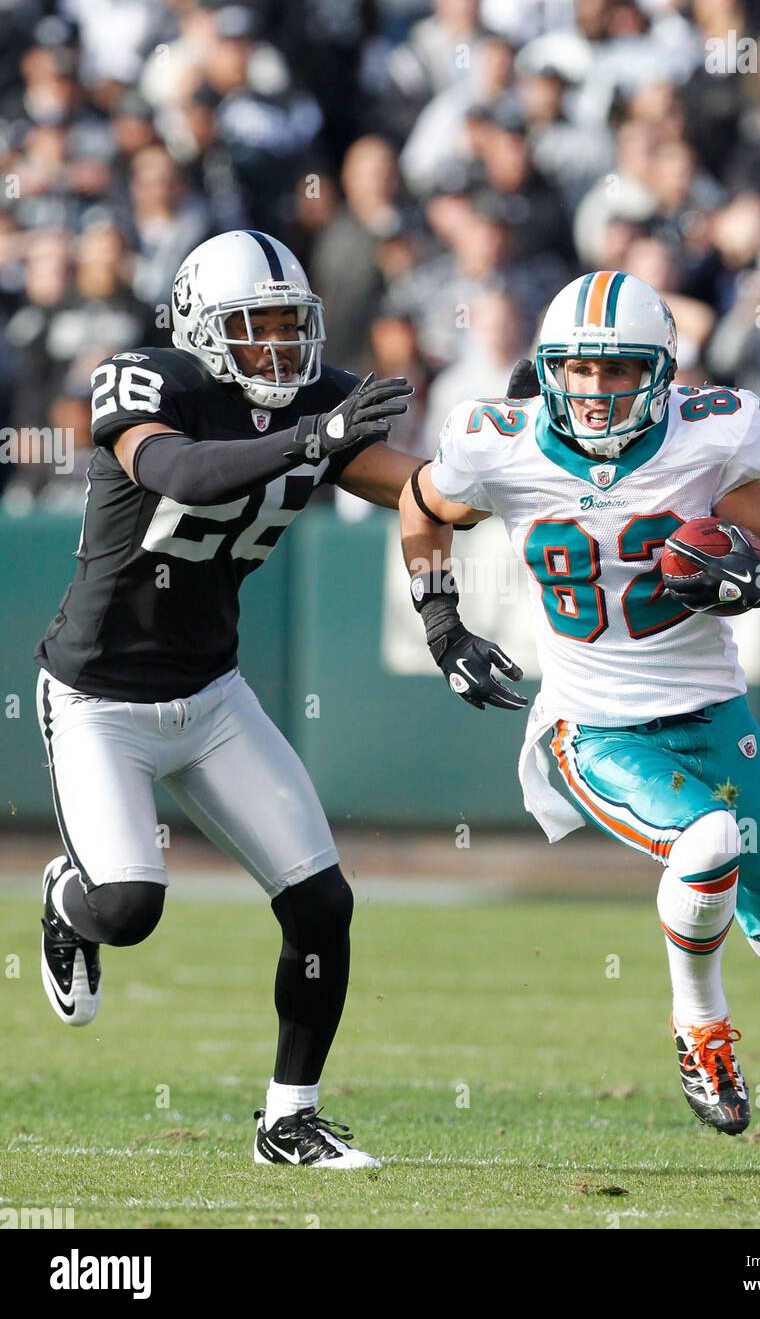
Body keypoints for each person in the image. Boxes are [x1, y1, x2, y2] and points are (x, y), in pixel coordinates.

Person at [399, 269, 760, 1179]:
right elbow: (422, 506)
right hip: (593, 725)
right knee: (708, 840)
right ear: (547, 369)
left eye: (619, 370)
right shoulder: (500, 445)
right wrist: (443, 626)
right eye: (578, 371)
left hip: (715, 718)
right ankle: (699, 1025)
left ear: (663, 372)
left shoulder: (708, 441)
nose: (596, 393)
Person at [36, 228, 420, 1168]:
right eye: (257, 330)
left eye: (295, 328)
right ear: (204, 330)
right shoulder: (145, 379)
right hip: (99, 700)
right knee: (129, 908)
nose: (282, 350)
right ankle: (68, 903)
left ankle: (289, 1120)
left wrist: (518, 472)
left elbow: (421, 491)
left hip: (212, 696)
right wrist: (310, 438)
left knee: (323, 903)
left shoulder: (318, 404)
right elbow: (176, 472)